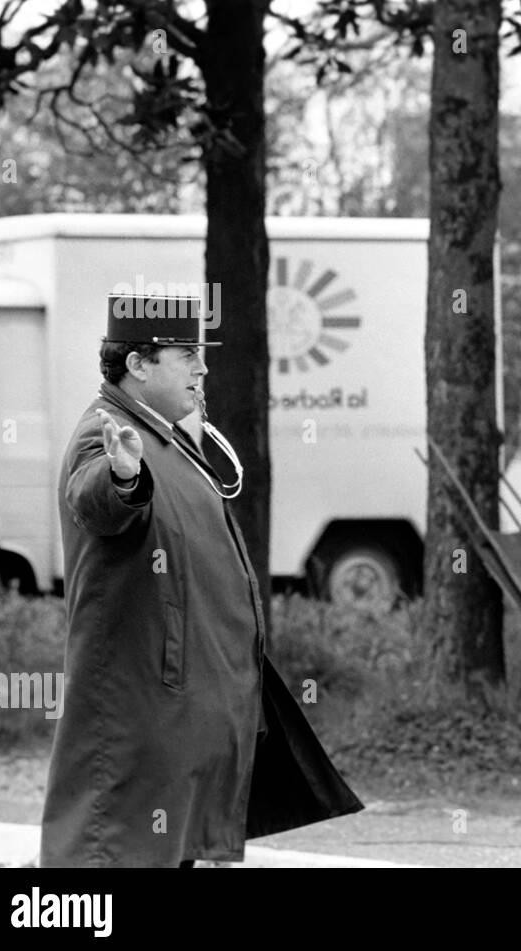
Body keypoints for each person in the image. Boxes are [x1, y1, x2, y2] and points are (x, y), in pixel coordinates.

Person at [41, 294, 362, 867]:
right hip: (143, 707)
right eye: (186, 353)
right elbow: (98, 504)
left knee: (166, 852)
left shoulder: (165, 434)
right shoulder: (108, 434)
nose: (202, 367)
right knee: (115, 858)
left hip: (184, 708)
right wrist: (121, 474)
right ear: (138, 364)